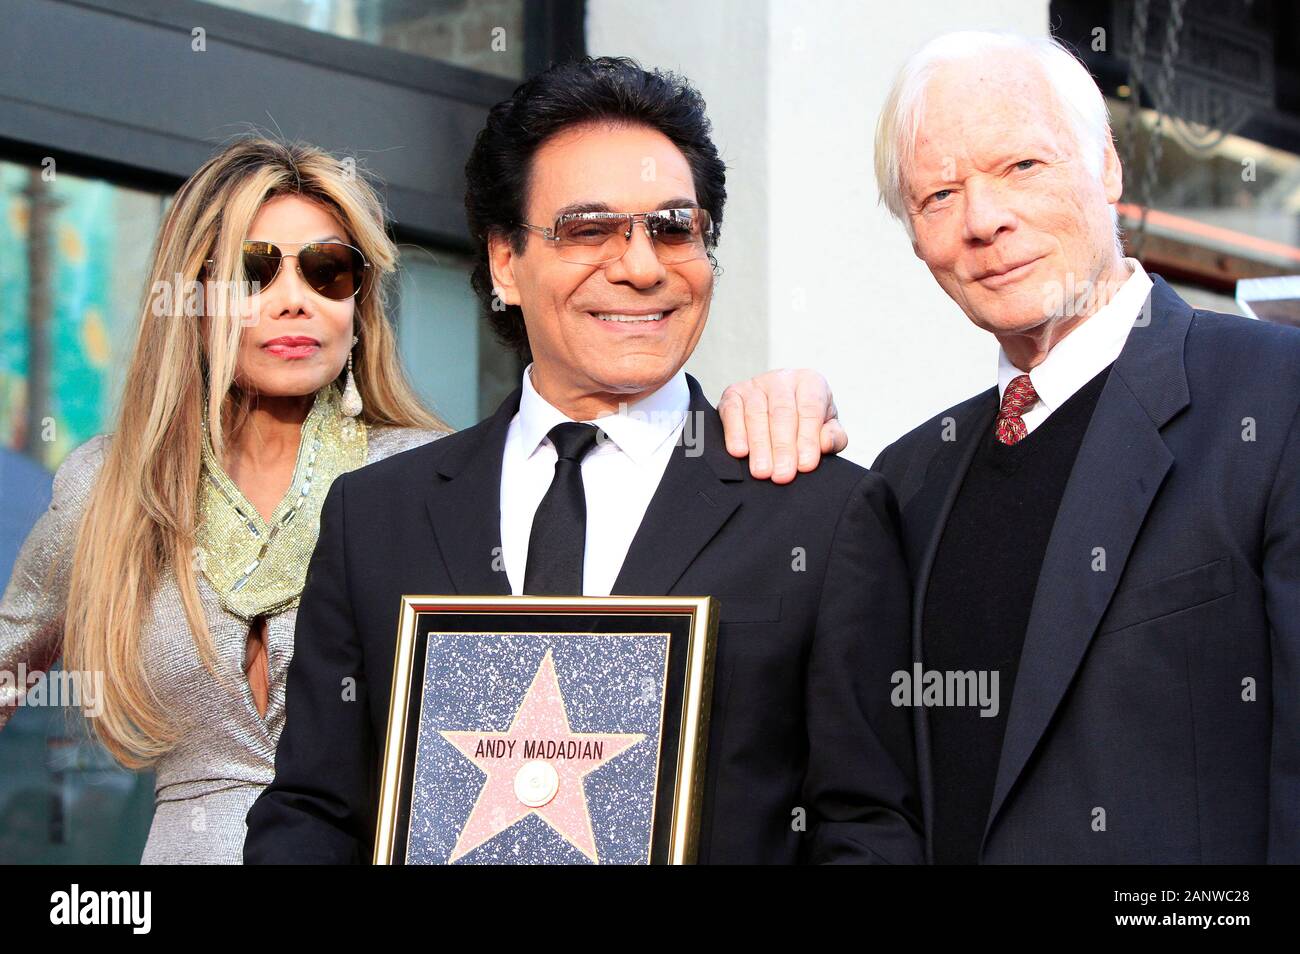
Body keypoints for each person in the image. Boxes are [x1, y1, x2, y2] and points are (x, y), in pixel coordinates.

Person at [0, 136, 822, 864]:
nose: (296, 300)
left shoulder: (430, 481)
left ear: (360, 300)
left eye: (329, 271)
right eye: (254, 270)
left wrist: (777, 400)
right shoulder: (110, 489)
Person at [243, 57, 923, 865]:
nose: (640, 266)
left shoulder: (822, 513)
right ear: (504, 262)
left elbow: (867, 829)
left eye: (674, 228)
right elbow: (315, 811)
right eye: (588, 229)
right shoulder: (377, 515)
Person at [866, 32, 1300, 863]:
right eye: (939, 195)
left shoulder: (1275, 398)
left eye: (1021, 167)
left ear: (1106, 167)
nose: (983, 220)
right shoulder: (905, 481)